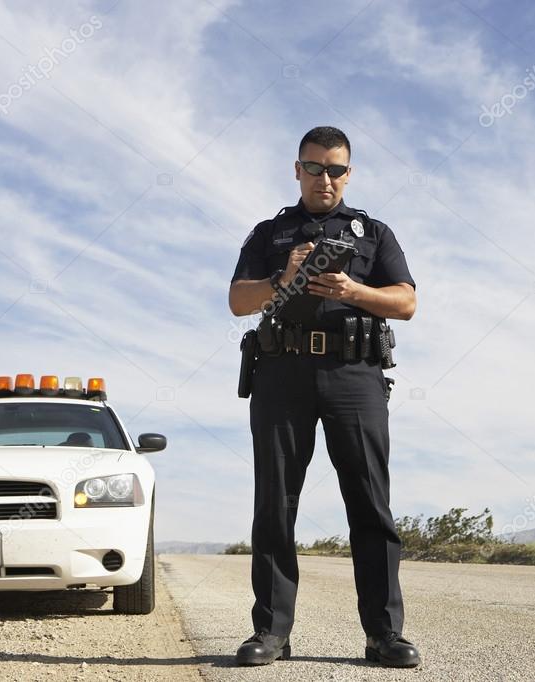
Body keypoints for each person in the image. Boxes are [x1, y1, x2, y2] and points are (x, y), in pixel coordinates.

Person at [228, 126, 420, 668]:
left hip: (353, 375)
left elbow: (406, 302)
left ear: (348, 173)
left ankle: (385, 635)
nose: (325, 179)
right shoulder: (272, 232)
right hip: (282, 373)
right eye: (314, 168)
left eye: (335, 169)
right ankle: (270, 634)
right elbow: (238, 300)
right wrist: (284, 277)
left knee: (370, 504)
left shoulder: (373, 233)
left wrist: (353, 291)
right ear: (297, 170)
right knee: (275, 504)